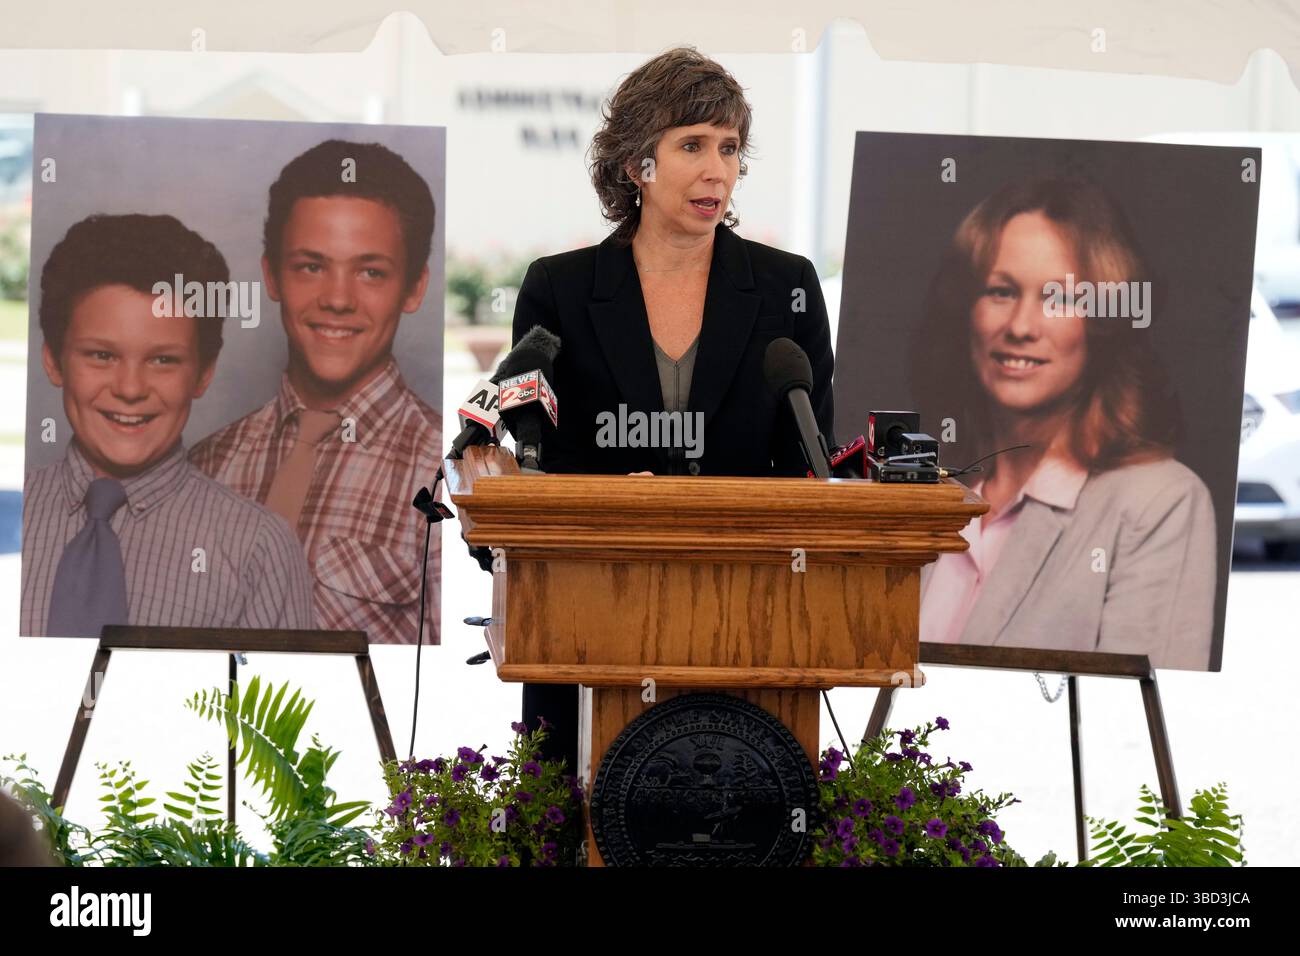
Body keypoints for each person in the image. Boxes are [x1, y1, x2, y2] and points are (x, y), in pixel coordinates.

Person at [509, 47, 837, 775]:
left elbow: (812, 457)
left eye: (728, 147)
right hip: (591, 611)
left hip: (749, 617)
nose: (716, 169)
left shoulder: (787, 286)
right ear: (636, 166)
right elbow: (540, 455)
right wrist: (610, 503)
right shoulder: (558, 291)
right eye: (690, 145)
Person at [914, 177, 1216, 670]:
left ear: (1104, 321)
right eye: (1001, 291)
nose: (1022, 326)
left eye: (1059, 297)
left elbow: (1136, 726)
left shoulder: (1160, 503)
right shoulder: (925, 488)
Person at [190, 140, 443, 645]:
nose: (337, 299)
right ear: (272, 275)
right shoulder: (208, 464)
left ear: (414, 287)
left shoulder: (442, 473)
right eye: (311, 266)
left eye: (371, 271)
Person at [22, 213, 314, 637]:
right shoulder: (14, 515)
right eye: (101, 355)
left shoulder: (257, 548)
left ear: (203, 373)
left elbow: (277, 700)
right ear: (53, 360)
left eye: (163, 360)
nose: (130, 388)